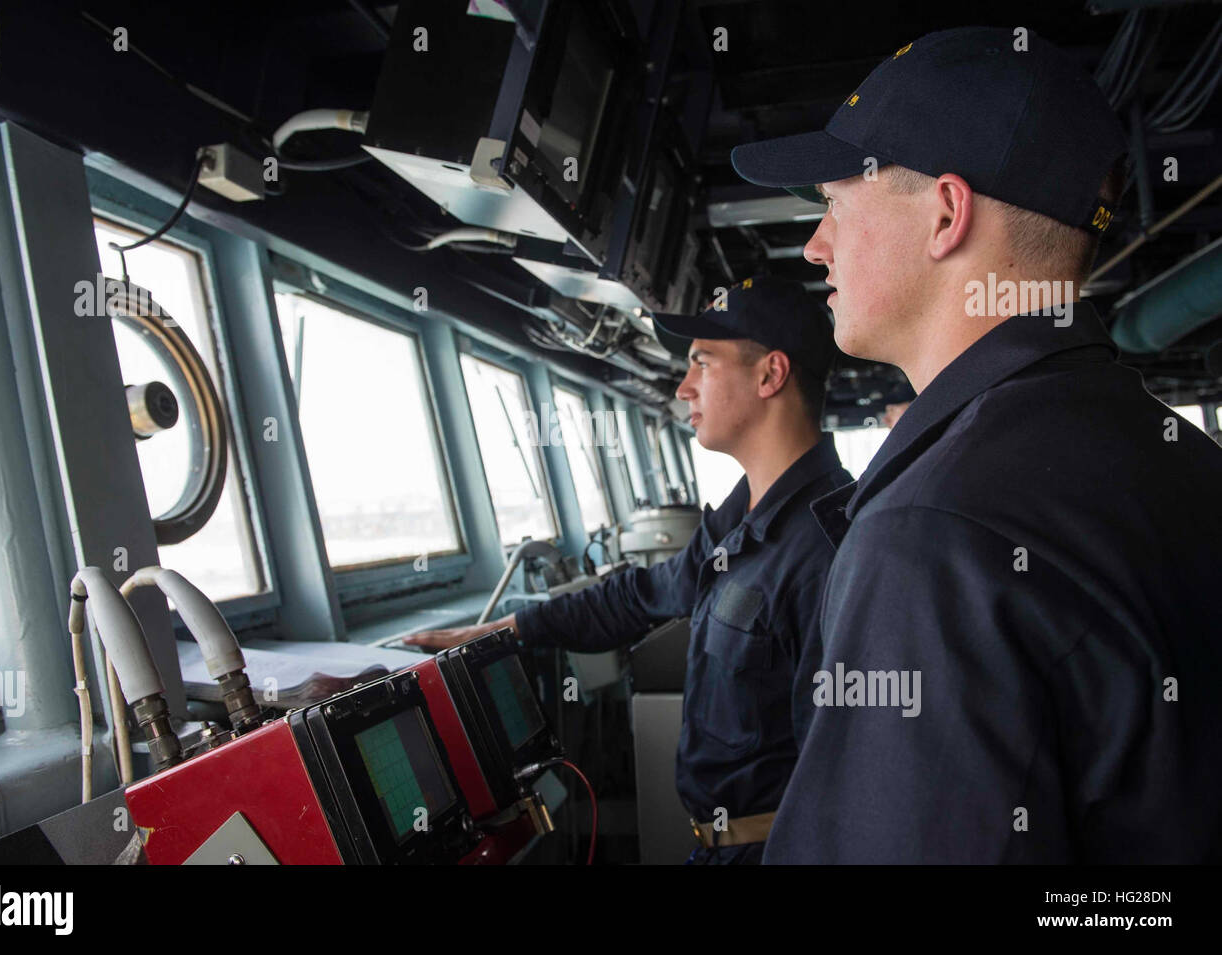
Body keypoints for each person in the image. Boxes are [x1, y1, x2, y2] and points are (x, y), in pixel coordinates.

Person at [730, 25, 1222, 863]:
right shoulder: (1187, 460)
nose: (814, 247)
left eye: (833, 203)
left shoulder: (929, 538)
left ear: (947, 215)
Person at [407, 276, 851, 863]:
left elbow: (844, 772)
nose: (684, 388)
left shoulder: (832, 547)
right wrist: (501, 633)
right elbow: (638, 598)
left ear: (770, 375)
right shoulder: (740, 522)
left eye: (702, 363)